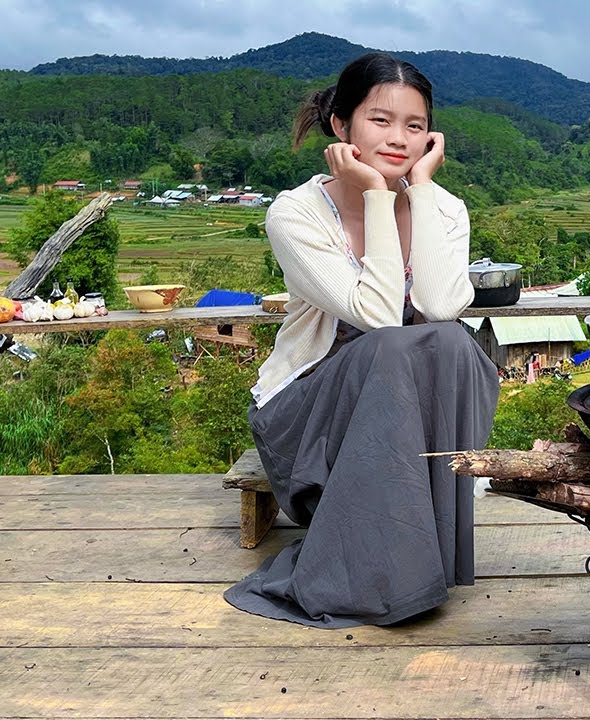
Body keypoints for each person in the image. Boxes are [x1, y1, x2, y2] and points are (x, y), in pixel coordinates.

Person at [223, 52, 500, 628]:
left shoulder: (445, 208)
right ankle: (374, 577)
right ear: (340, 126)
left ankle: (414, 559)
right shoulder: (297, 214)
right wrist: (377, 192)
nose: (399, 138)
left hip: (403, 406)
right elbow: (379, 316)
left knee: (454, 343)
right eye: (380, 120)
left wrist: (419, 191)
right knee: (393, 345)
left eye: (415, 125)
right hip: (309, 413)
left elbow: (441, 306)